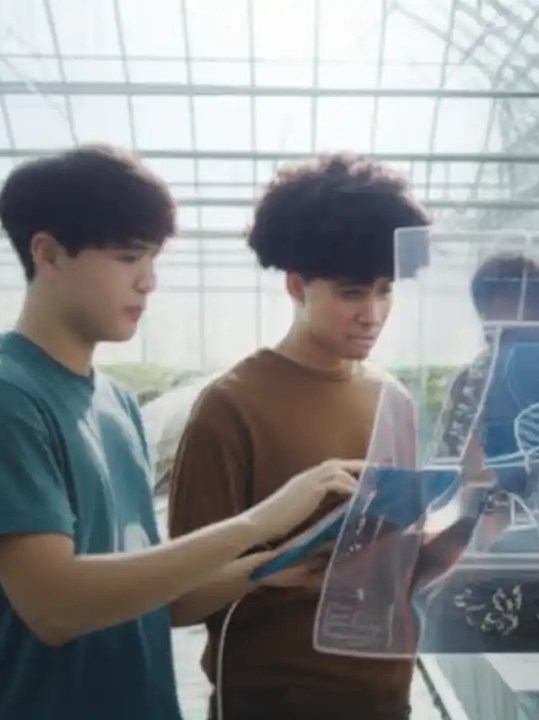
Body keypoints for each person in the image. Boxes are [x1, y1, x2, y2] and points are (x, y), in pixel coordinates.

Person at [0, 145, 360, 720]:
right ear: (49, 253)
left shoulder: (116, 404)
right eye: (129, 258)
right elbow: (55, 605)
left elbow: (162, 599)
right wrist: (258, 522)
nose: (149, 282)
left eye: (154, 259)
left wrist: (276, 563)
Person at [166, 153, 432, 720]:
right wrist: (279, 565)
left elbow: (403, 567)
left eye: (386, 290)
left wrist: (486, 514)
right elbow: (181, 598)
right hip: (269, 702)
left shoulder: (394, 402)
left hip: (384, 698)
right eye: (352, 293)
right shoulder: (231, 406)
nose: (373, 313)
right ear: (296, 284)